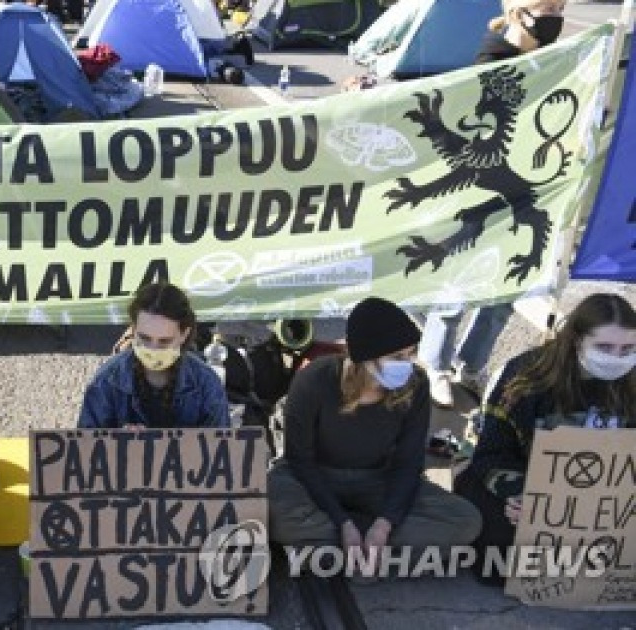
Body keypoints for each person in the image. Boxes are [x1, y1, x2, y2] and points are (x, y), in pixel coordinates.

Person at [417, 0, 568, 407]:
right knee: (460, 280)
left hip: (526, 186)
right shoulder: (490, 61)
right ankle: (435, 364)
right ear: (519, 13)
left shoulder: (554, 61)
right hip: (481, 190)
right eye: (549, 8)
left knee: (508, 287)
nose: (557, 17)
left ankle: (471, 363)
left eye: (561, 7)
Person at [268, 297, 481, 574]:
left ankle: (343, 551)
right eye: (397, 357)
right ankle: (365, 550)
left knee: (465, 520)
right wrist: (343, 523)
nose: (407, 364)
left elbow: (408, 462)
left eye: (411, 354)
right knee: (267, 508)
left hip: (377, 478)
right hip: (315, 476)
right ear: (366, 358)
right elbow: (300, 460)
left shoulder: (416, 384)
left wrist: (383, 525)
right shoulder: (314, 380)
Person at [455, 293, 636, 585]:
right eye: (604, 347)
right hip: (522, 478)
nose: (617, 358)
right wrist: (522, 497)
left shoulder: (631, 381)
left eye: (627, 349)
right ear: (576, 340)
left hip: (602, 495)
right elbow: (492, 453)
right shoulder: (526, 376)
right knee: (501, 556)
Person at [78, 282, 230, 429]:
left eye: (164, 341)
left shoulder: (206, 384)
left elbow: (221, 443)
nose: (153, 349)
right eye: (144, 338)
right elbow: (85, 442)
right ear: (133, 330)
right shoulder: (107, 380)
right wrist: (120, 440)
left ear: (184, 335)